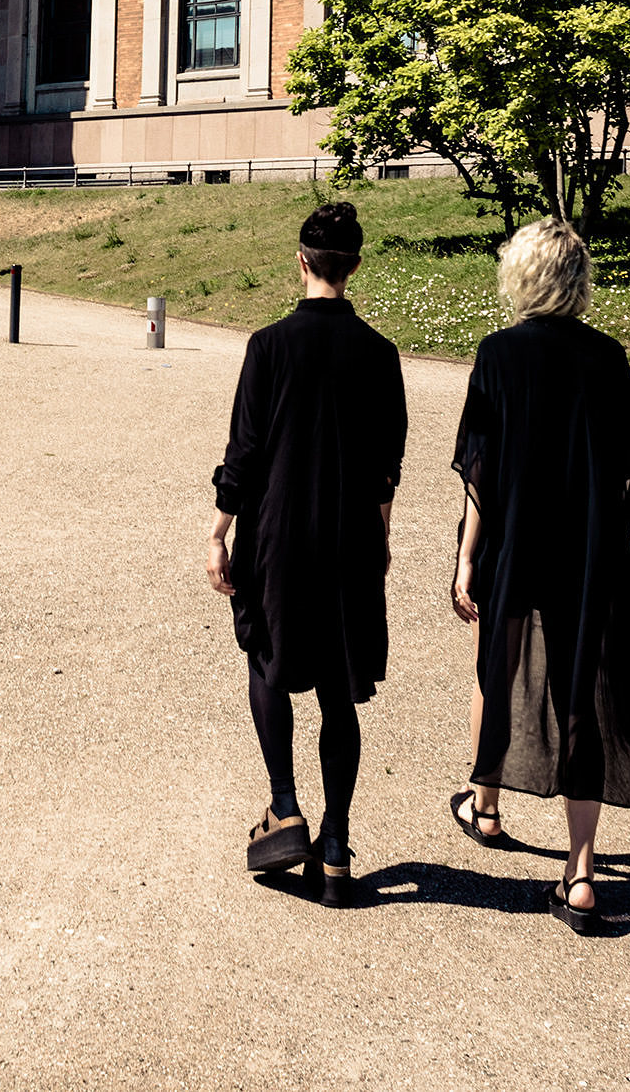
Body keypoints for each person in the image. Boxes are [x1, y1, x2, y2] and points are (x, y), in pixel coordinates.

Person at [447, 217, 630, 936]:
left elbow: (480, 472)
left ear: (522, 276)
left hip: (515, 547)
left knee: (495, 668)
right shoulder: (608, 358)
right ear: (578, 282)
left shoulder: (499, 355)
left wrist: (467, 559)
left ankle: (487, 806)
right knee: (583, 701)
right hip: (589, 554)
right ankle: (581, 874)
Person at [205, 200, 408, 908]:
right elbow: (389, 463)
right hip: (351, 537)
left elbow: (245, 453)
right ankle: (336, 844)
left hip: (279, 532)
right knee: (337, 691)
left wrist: (218, 531)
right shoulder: (381, 355)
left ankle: (285, 804)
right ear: (354, 266)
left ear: (302, 262)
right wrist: (381, 536)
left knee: (267, 658)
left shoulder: (268, 347)